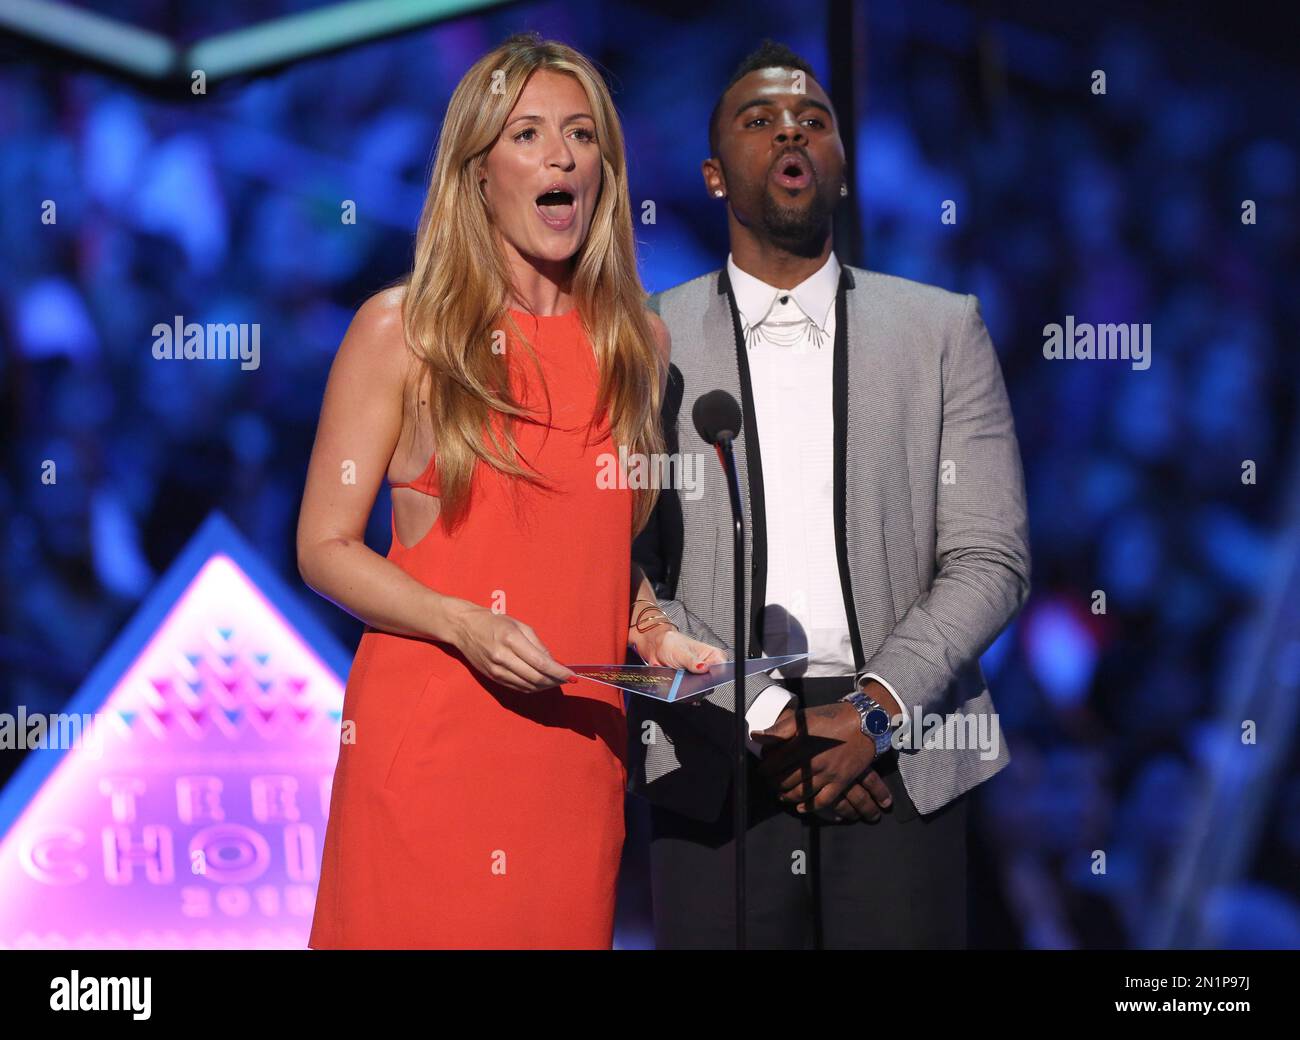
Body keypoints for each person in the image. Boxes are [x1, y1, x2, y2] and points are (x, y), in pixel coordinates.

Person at [298, 32, 724, 949]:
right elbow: (324, 548)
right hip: (433, 747)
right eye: (528, 134)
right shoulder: (403, 332)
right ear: (478, 172)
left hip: (575, 760)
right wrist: (464, 623)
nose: (561, 155)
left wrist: (654, 631)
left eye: (581, 134)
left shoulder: (638, 347)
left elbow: (596, 548)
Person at [628, 40, 1031, 948]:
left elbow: (990, 556)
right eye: (759, 120)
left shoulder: (942, 330)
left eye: (812, 120)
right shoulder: (644, 338)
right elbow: (626, 565)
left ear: (842, 169)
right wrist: (765, 718)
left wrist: (870, 712)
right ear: (712, 175)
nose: (789, 132)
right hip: (712, 753)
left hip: (903, 749)